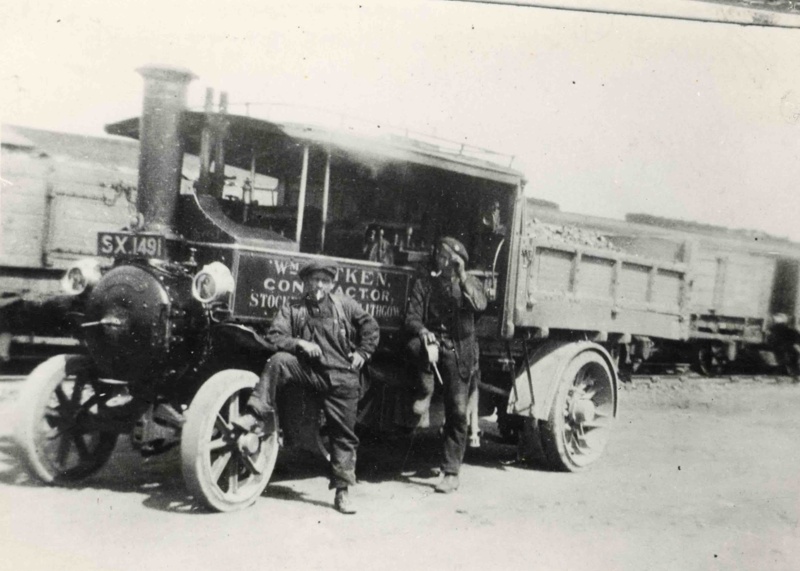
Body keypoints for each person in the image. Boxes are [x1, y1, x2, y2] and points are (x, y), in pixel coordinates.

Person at [246, 259, 380, 514]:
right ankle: (253, 413)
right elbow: (275, 335)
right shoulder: (293, 307)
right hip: (311, 373)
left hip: (342, 377)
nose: (318, 285)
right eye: (314, 280)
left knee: (343, 436)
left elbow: (370, 326)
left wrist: (363, 353)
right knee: (278, 361)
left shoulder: (344, 305)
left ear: (331, 284)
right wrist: (300, 343)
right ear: (305, 283)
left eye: (324, 281)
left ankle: (342, 492)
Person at [404, 237, 487, 494]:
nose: (441, 260)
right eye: (439, 255)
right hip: (434, 343)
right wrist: (423, 330)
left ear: (457, 261)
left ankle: (451, 472)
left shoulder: (470, 283)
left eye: (447, 257)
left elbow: (479, 305)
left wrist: (462, 276)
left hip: (458, 349)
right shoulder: (425, 283)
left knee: (458, 410)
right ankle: (426, 388)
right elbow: (411, 318)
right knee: (414, 346)